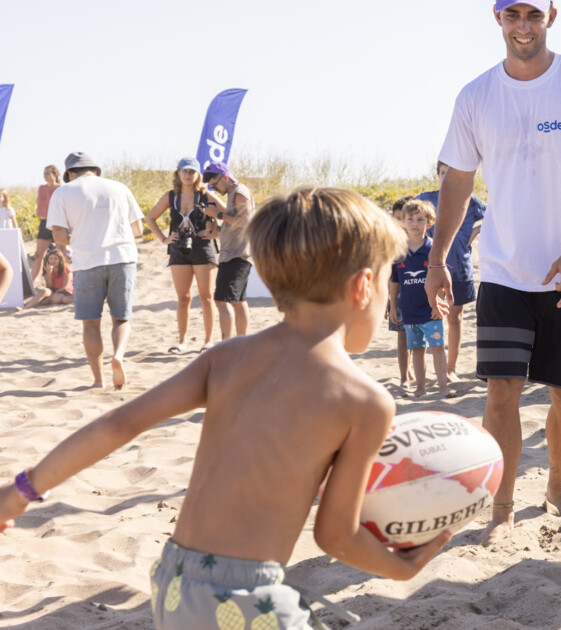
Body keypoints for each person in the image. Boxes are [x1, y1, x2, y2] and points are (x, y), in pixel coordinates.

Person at [0, 187, 450, 626]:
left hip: (176, 581)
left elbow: (119, 424)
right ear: (363, 286)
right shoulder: (365, 401)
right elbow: (335, 536)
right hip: (249, 599)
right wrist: (403, 568)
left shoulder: (226, 357)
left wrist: (21, 490)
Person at [428, 0, 561, 544]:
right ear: (498, 20)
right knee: (500, 393)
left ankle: (557, 484)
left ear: (551, 17)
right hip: (503, 272)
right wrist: (438, 258)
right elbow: (458, 183)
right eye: (513, 15)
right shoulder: (476, 96)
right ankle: (503, 503)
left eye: (533, 14)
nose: (524, 25)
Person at [47, 152, 144, 390]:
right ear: (95, 170)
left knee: (90, 323)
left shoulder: (62, 192)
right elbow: (138, 229)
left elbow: (59, 235)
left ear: (69, 173)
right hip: (123, 258)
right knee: (121, 318)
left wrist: (81, 239)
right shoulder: (119, 187)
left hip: (87, 261)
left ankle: (99, 380)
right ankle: (119, 355)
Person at [145, 157, 225, 354]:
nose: (188, 175)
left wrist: (216, 233)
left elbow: (230, 215)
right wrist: (164, 239)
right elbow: (150, 218)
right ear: (178, 173)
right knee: (183, 298)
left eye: (192, 172)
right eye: (185, 171)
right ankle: (182, 341)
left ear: (198, 174)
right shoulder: (171, 196)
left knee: (206, 297)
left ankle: (208, 341)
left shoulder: (206, 194)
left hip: (203, 247)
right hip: (178, 248)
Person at [416, 162, 486, 380]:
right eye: (443, 173)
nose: (447, 177)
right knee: (431, 316)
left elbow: (495, 214)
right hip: (432, 268)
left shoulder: (471, 200)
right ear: (437, 175)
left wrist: (475, 232)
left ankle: (451, 368)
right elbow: (407, 218)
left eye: (452, 173)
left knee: (455, 318)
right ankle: (432, 370)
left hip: (461, 268)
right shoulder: (426, 198)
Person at [391, 199, 454, 398]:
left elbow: (442, 280)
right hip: (409, 311)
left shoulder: (434, 250)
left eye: (420, 219)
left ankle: (443, 388)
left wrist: (439, 304)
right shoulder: (399, 251)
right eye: (410, 219)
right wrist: (393, 306)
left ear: (429, 222)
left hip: (430, 310)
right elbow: (394, 282)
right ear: (403, 222)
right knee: (417, 350)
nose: (415, 223)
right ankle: (420, 388)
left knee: (437, 348)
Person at [201, 162, 256, 340]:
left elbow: (245, 221)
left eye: (215, 184)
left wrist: (217, 214)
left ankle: (229, 344)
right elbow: (236, 223)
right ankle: (241, 344)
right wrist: (217, 230)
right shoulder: (235, 192)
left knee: (222, 301)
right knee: (239, 302)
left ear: (225, 177)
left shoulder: (239, 192)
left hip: (236, 255)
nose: (214, 189)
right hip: (238, 253)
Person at [387, 197, 416, 390]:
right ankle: (404, 376)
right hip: (398, 296)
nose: (401, 223)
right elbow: (389, 277)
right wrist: (389, 303)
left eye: (403, 218)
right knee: (402, 336)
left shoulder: (421, 242)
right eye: (396, 218)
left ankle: (410, 369)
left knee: (414, 334)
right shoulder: (392, 245)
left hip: (418, 295)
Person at [32, 165, 63, 282]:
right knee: (38, 255)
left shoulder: (61, 188)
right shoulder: (41, 188)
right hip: (44, 222)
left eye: (48, 173)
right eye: (44, 173)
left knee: (61, 255)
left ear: (55, 175)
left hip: (58, 223)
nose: (45, 176)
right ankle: (30, 283)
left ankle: (63, 281)